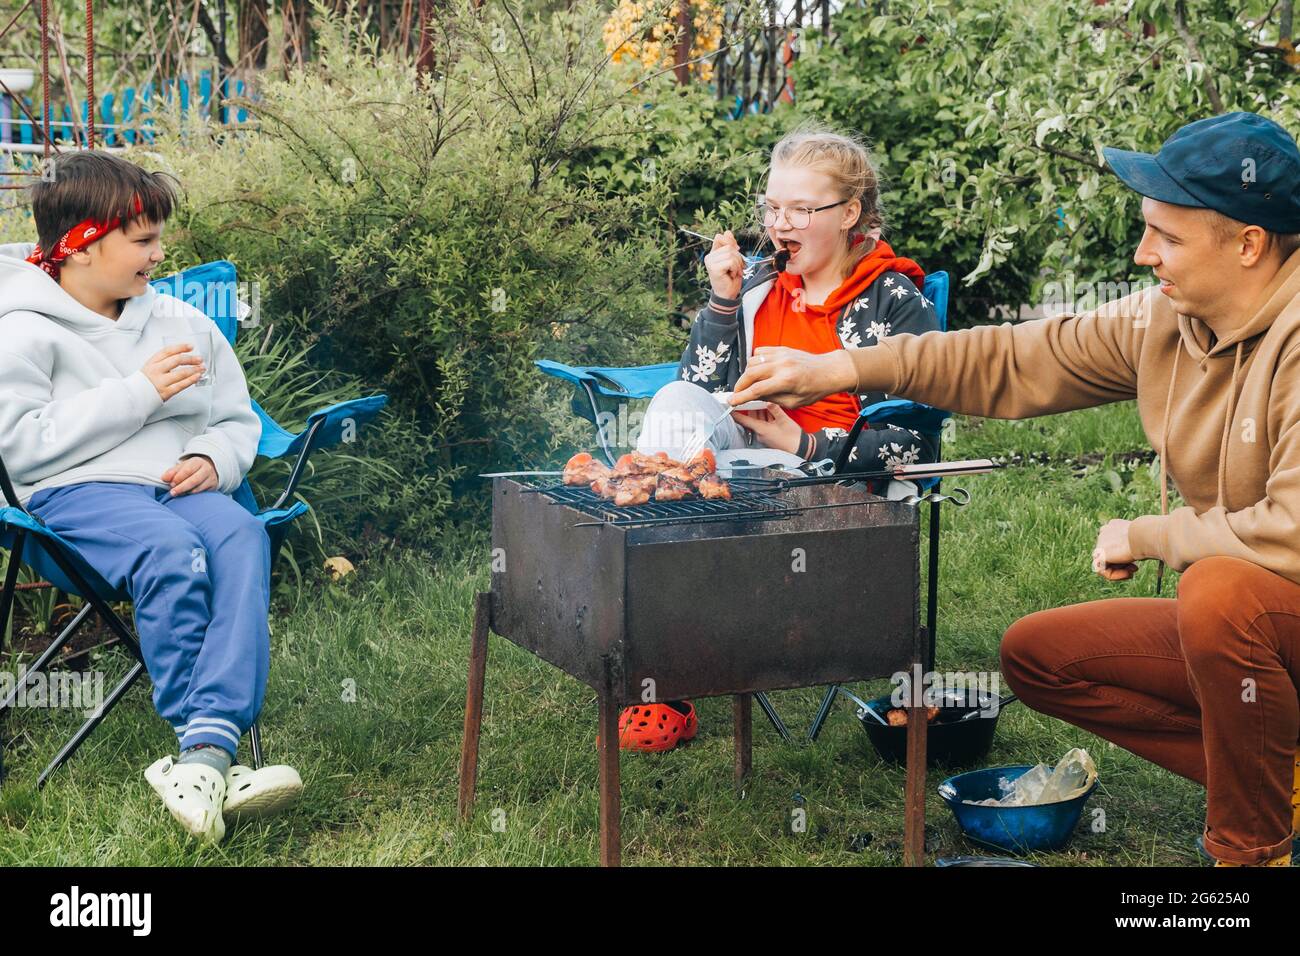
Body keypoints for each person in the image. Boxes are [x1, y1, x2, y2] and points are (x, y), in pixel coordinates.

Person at [731, 112, 1300, 867]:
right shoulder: (1165, 317)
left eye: (1166, 235)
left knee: (1220, 593)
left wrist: (1148, 535)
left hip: (1260, 604)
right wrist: (842, 369)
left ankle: (1247, 856)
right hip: (1263, 626)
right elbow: (1016, 357)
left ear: (1249, 243)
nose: (1142, 253)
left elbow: (1292, 527)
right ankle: (1276, 777)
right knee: (1038, 657)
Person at [0, 151, 302, 843]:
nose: (160, 252)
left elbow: (235, 418)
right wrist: (138, 394)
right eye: (143, 240)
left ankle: (204, 755)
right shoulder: (21, 329)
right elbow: (17, 447)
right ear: (80, 246)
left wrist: (213, 456)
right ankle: (208, 751)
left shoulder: (179, 321)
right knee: (172, 552)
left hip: (174, 484)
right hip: (75, 498)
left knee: (239, 535)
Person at [618, 124, 942, 753]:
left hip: (837, 489)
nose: (778, 224)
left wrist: (804, 445)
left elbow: (916, 446)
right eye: (772, 207)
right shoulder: (763, 286)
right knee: (675, 400)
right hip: (739, 476)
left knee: (707, 442)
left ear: (850, 214)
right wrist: (721, 301)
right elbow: (700, 392)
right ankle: (669, 665)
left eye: (800, 209)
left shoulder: (893, 298)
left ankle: (677, 640)